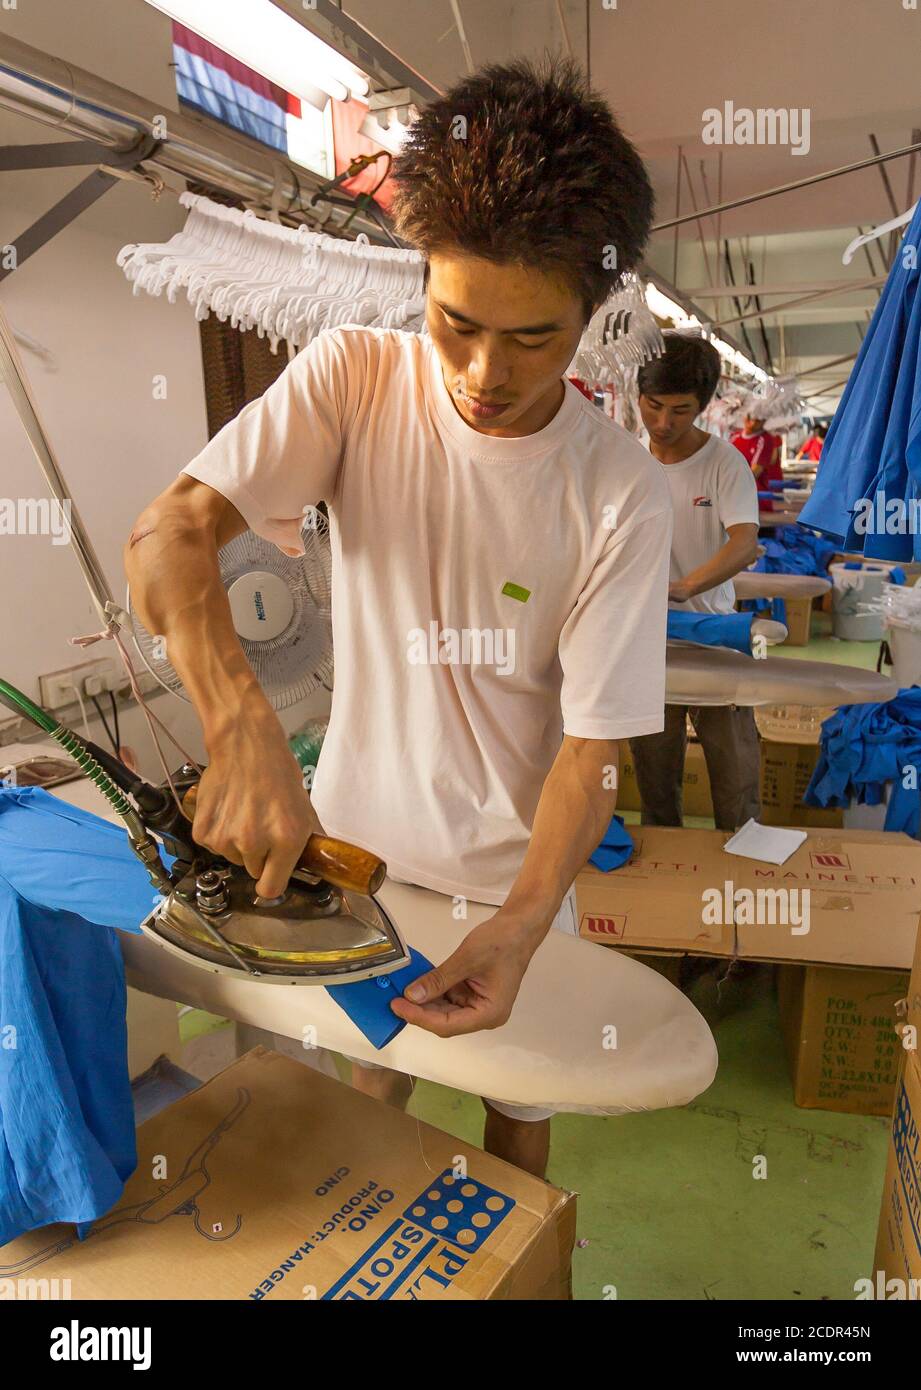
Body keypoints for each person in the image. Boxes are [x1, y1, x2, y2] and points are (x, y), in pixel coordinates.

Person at [125, 58, 672, 1178]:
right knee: (373, 1116)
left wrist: (523, 922)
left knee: (522, 1123)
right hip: (355, 860)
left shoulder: (618, 486)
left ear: (599, 309)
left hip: (516, 879)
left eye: (533, 338)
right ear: (420, 271)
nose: (482, 371)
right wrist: (241, 729)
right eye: (456, 320)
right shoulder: (354, 384)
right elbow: (168, 534)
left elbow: (591, 750)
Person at [630, 333, 761, 831]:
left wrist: (684, 588)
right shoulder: (626, 461)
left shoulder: (723, 463)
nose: (663, 423)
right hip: (648, 644)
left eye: (681, 410)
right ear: (636, 396)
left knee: (736, 782)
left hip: (714, 640)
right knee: (655, 782)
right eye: (653, 405)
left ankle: (744, 874)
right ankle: (668, 886)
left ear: (703, 406)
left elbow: (744, 543)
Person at [730, 410, 784, 505]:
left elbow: (755, 472)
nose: (753, 420)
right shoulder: (734, 437)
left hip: (755, 500)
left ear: (764, 420)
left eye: (758, 418)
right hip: (735, 497)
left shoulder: (766, 438)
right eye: (750, 416)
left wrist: (728, 487)